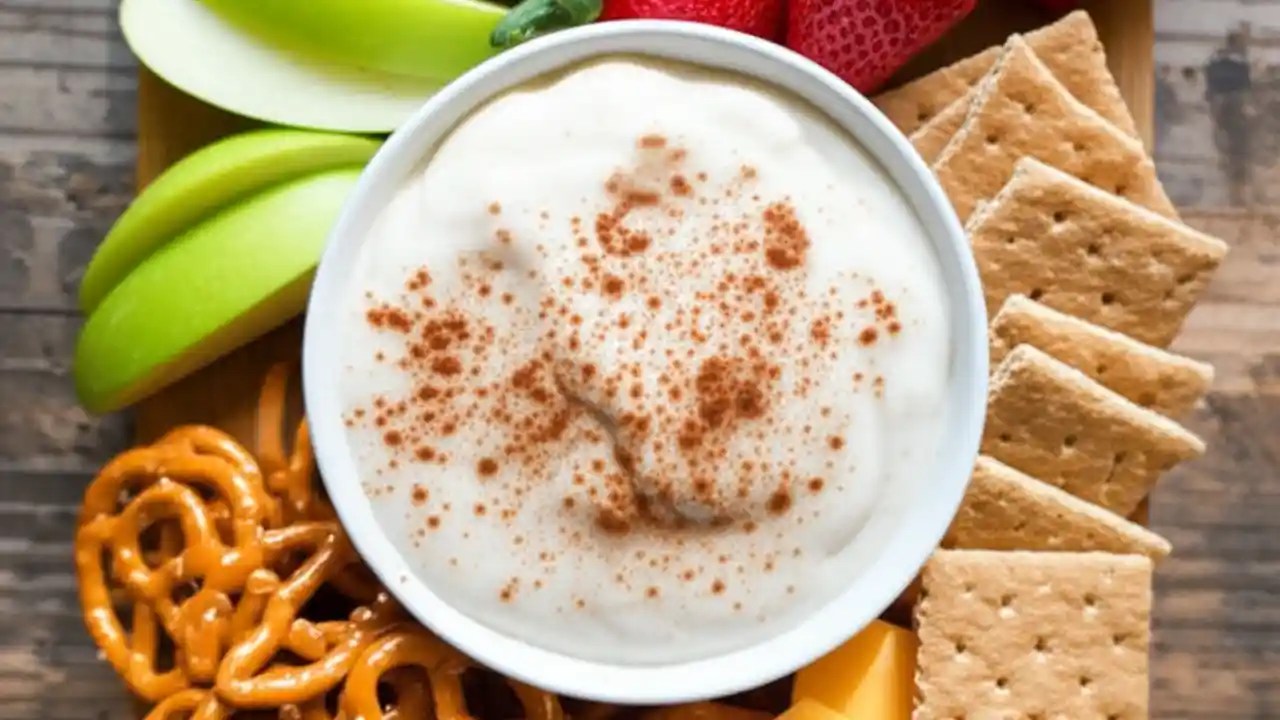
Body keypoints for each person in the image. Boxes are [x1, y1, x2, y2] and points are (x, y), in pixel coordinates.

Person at [1204, 30, 1253, 207]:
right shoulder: (1240, 65)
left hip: (1221, 108)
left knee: (1226, 151)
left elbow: (1210, 89)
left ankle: (1233, 194)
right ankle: (1236, 195)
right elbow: (1246, 89)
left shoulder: (1215, 62)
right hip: (1234, 109)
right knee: (1238, 153)